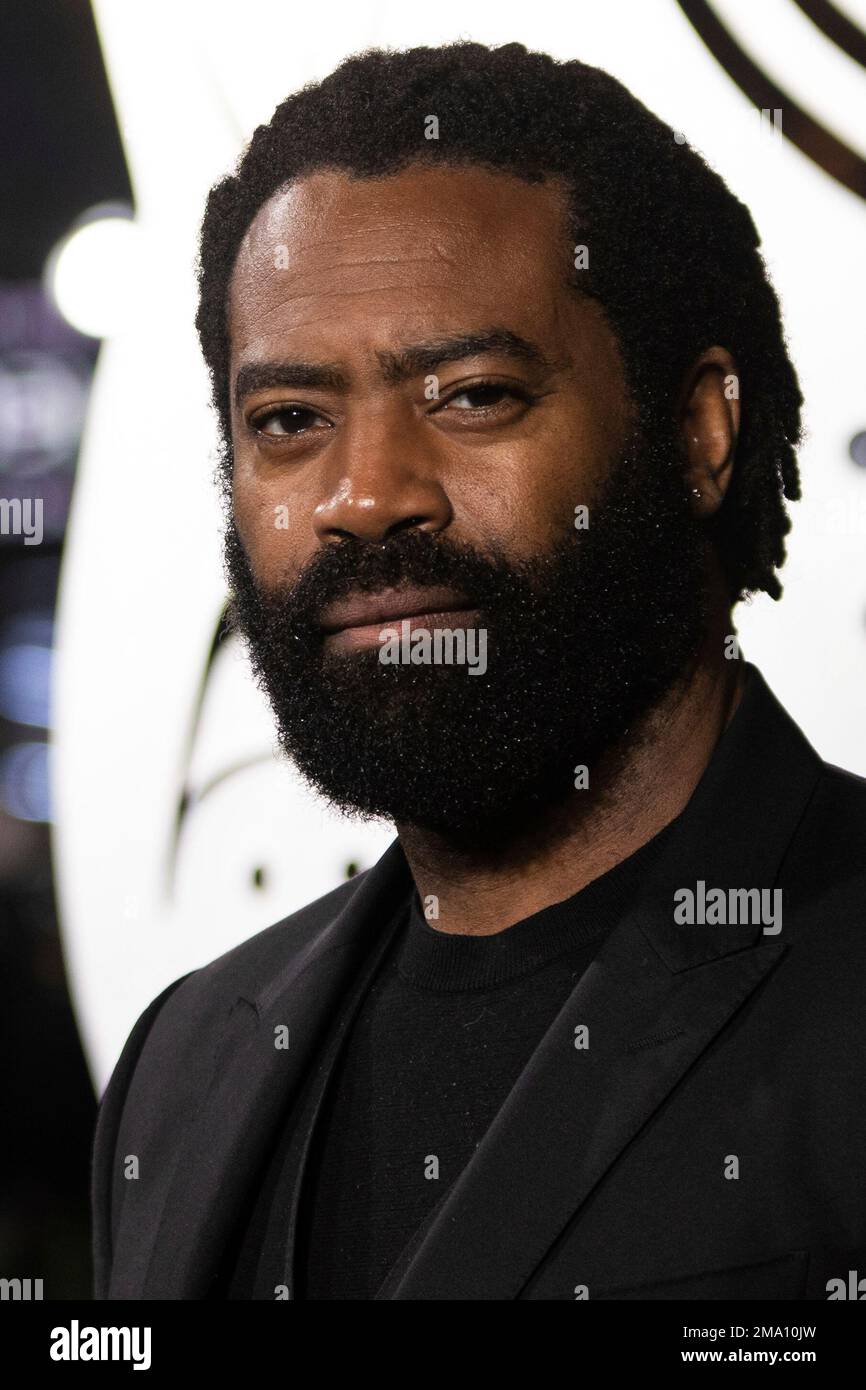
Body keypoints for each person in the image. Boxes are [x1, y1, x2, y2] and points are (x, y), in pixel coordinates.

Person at [91, 40, 866, 1300]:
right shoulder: (184, 1062)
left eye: (471, 395)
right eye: (289, 419)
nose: (364, 495)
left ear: (698, 433)